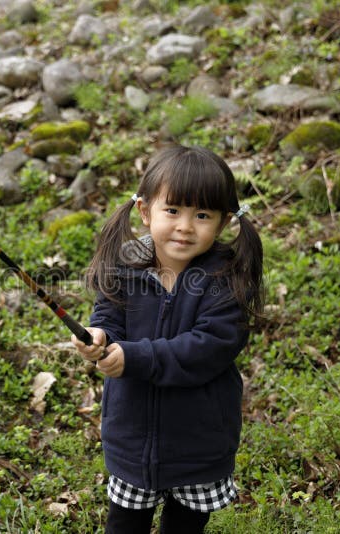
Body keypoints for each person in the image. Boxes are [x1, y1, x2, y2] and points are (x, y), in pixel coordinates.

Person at [71, 144, 263, 533]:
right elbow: (110, 313)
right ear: (145, 211)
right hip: (131, 437)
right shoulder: (126, 265)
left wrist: (135, 358)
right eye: (172, 210)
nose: (185, 226)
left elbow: (206, 349)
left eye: (202, 215)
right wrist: (100, 334)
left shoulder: (226, 282)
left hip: (199, 443)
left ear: (224, 222)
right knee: (124, 525)